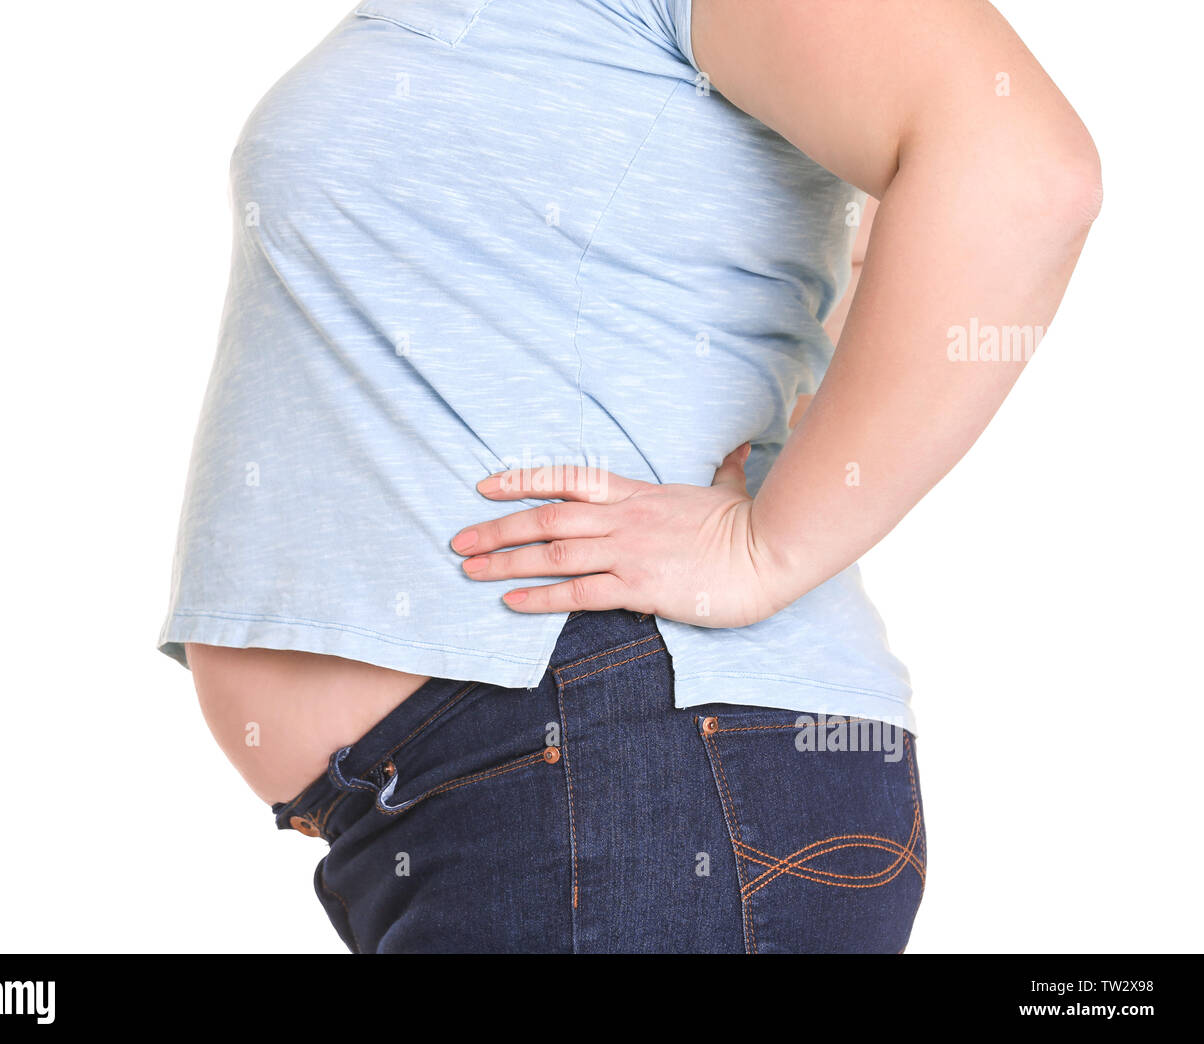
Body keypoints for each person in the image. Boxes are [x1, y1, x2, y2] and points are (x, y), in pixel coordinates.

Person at [158, 0, 1100, 953]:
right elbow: (854, 244)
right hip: (511, 797)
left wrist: (768, 549)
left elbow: (1021, 166)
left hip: (627, 767)